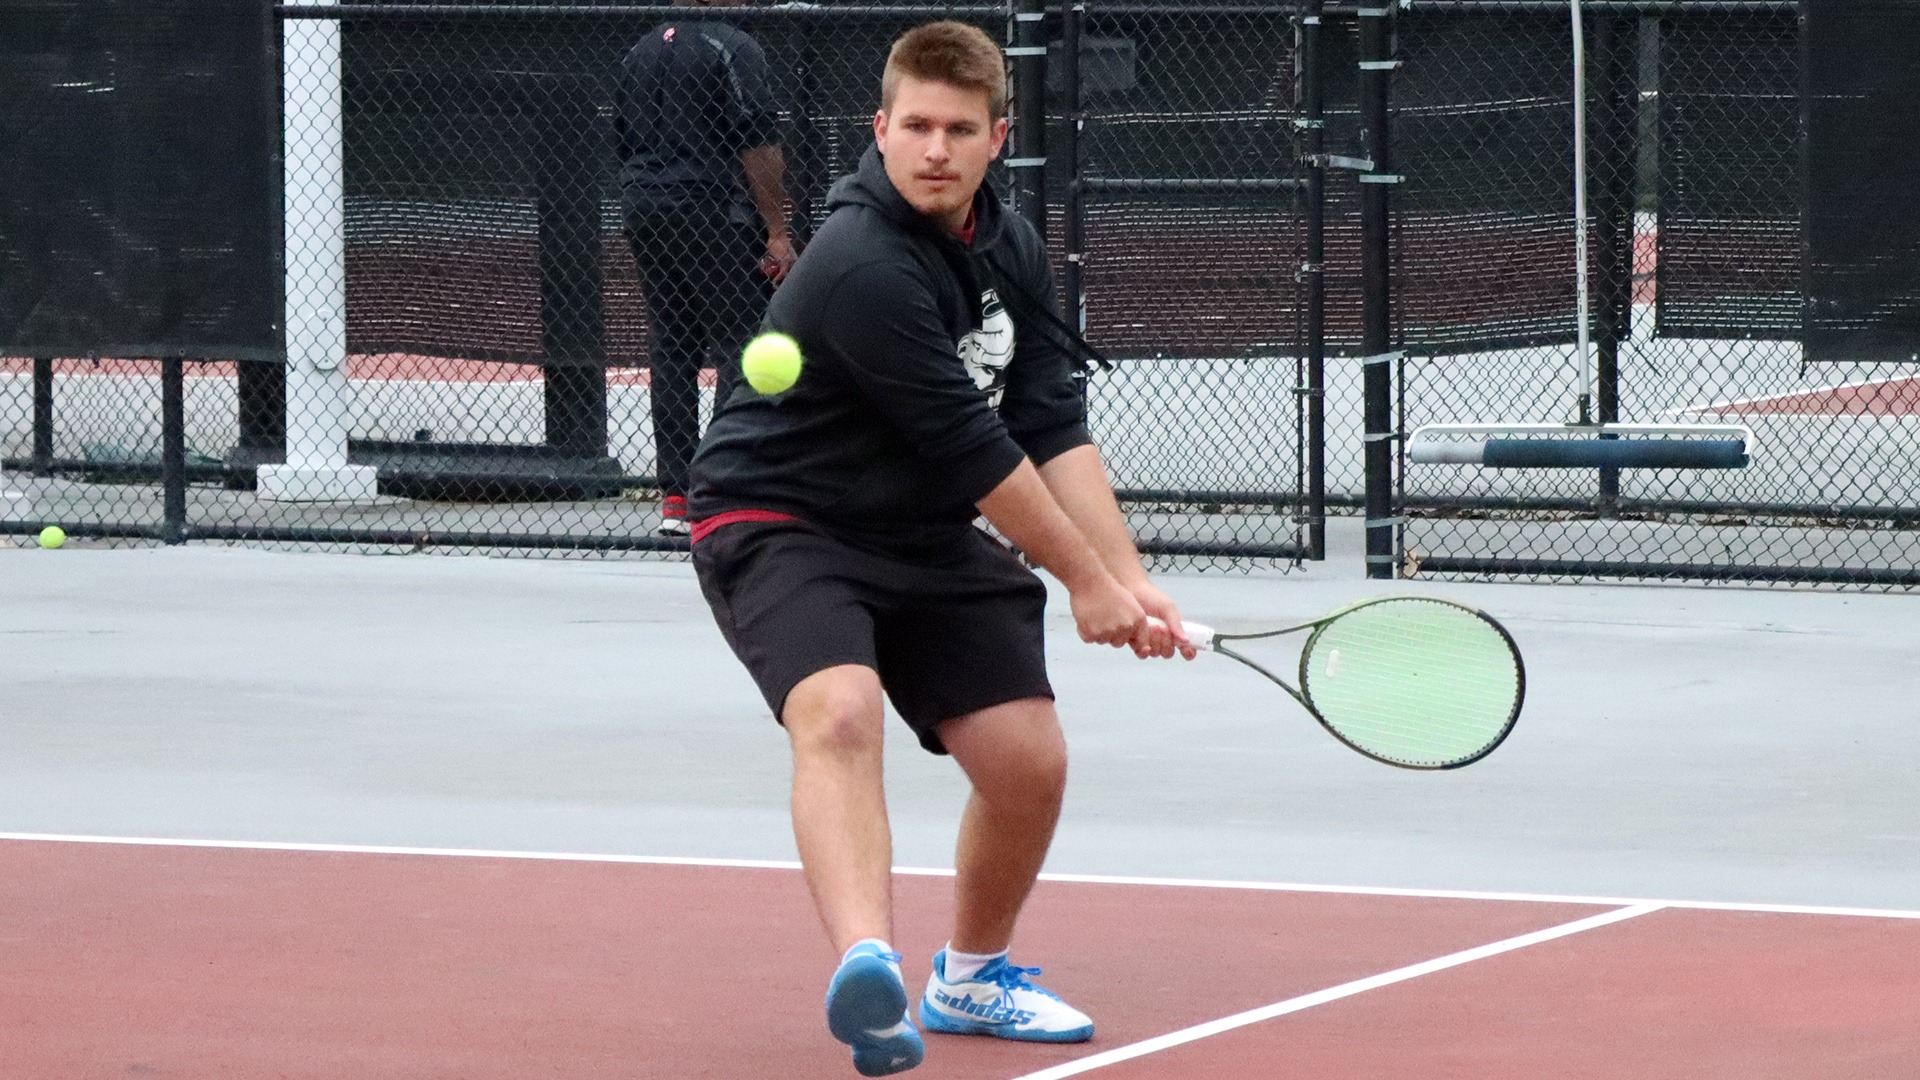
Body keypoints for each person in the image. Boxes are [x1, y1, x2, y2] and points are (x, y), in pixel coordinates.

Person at [686, 21, 1194, 1077]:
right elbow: (981, 454)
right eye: (914, 126)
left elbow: (1051, 422)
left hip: (917, 530)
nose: (933, 149)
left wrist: (1132, 579)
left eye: (958, 130)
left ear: (996, 138)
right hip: (783, 517)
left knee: (1028, 764)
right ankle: (868, 966)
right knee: (839, 710)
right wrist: (1085, 585)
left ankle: (972, 977)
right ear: (880, 128)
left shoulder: (1005, 242)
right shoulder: (859, 264)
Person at [614, 0, 797, 535]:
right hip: (712, 207)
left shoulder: (639, 49)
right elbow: (758, 141)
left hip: (643, 206)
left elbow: (621, 139)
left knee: (672, 342)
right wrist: (778, 230)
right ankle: (718, 487)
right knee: (741, 342)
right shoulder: (733, 45)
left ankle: (677, 493)